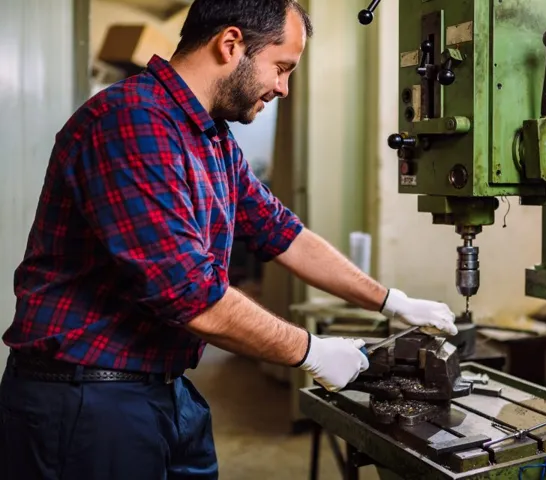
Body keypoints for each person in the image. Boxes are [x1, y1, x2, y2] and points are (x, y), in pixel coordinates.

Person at [0, 1, 457, 479]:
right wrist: (312, 352)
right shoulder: (131, 120)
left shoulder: (210, 136)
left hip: (162, 388)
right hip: (85, 400)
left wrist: (391, 301)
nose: (283, 87)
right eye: (281, 67)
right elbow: (189, 295)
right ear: (231, 44)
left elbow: (284, 233)